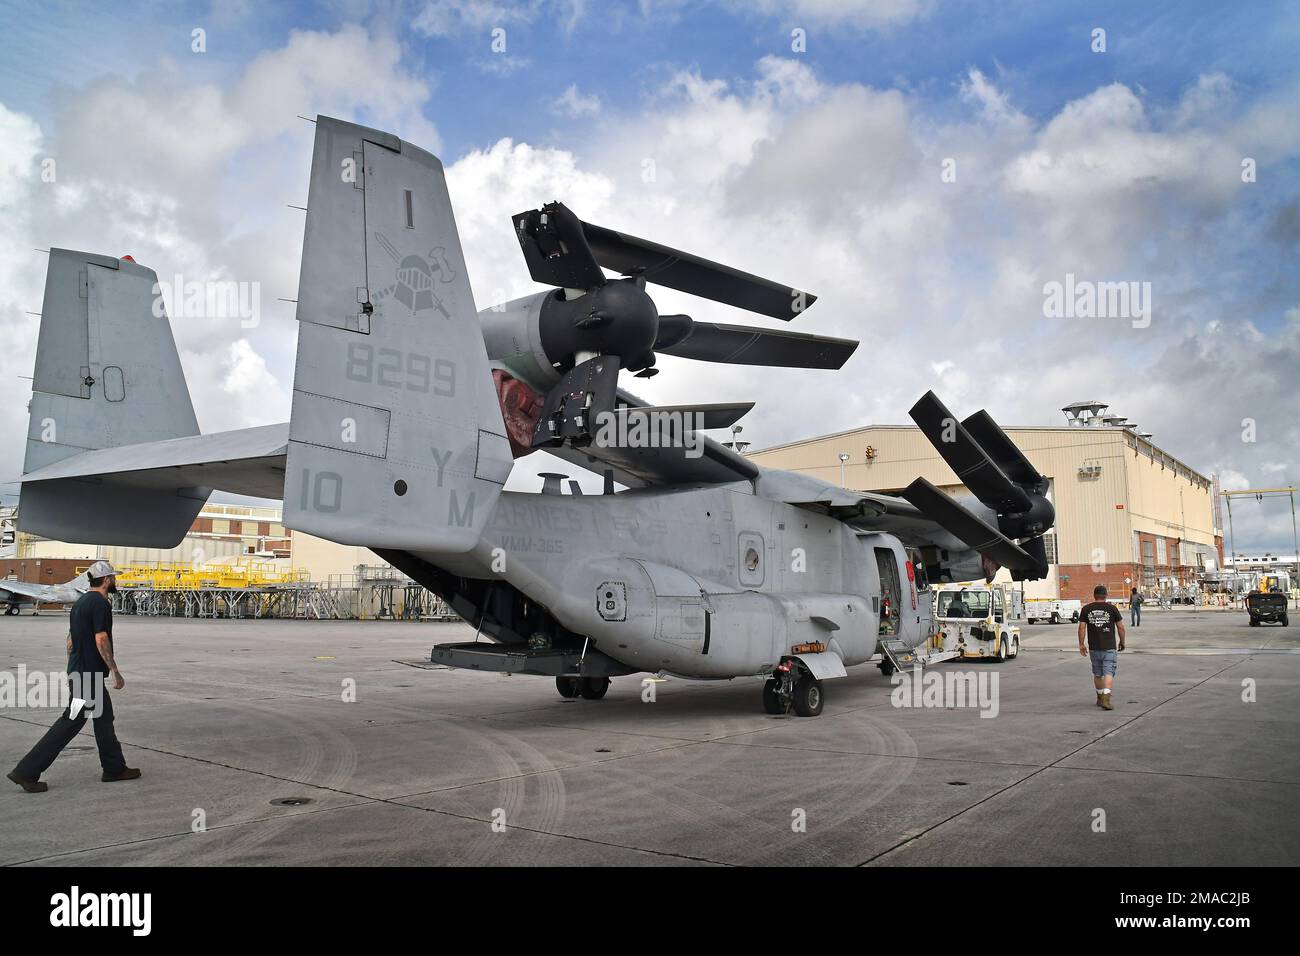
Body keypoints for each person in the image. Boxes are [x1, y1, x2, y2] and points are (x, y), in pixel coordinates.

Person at [7, 560, 141, 793]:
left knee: (104, 719)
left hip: (82, 675)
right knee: (72, 720)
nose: (115, 581)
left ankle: (114, 768)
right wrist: (115, 671)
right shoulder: (100, 603)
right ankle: (26, 771)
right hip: (87, 679)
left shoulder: (80, 603)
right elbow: (101, 639)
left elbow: (70, 641)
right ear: (107, 579)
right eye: (113, 577)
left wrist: (76, 666)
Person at [1078, 584, 1126, 710]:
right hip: (1109, 646)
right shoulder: (1112, 609)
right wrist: (1122, 641)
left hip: (1094, 647)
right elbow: (1120, 627)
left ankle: (1099, 698)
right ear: (1106, 595)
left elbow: (1082, 627)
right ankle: (1106, 698)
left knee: (1098, 673)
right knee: (1108, 672)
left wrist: (1081, 644)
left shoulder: (1086, 609)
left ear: (1094, 595)